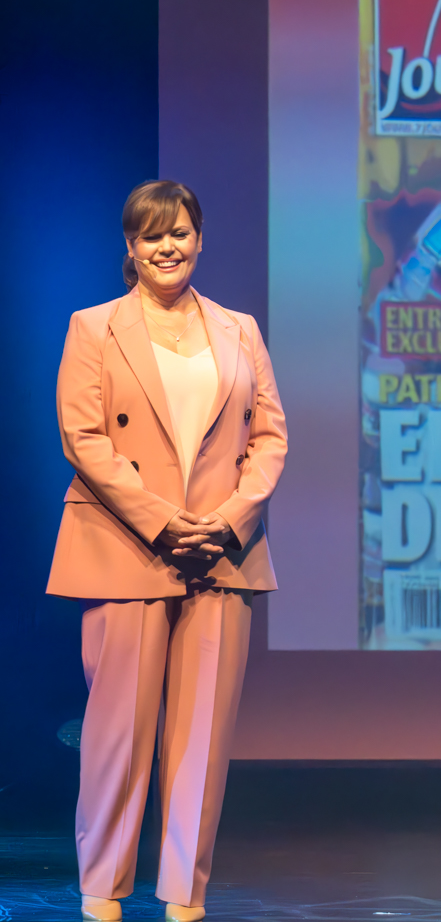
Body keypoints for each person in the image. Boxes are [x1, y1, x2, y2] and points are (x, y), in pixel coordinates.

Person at [52, 181, 288, 922]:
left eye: (179, 232)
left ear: (199, 236)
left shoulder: (239, 329)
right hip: (125, 548)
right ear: (130, 246)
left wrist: (226, 521)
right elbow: (83, 438)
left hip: (221, 553)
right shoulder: (94, 328)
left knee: (202, 741)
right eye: (152, 235)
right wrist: (162, 522)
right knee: (119, 735)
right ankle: (103, 894)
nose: (167, 246)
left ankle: (185, 897)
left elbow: (270, 437)